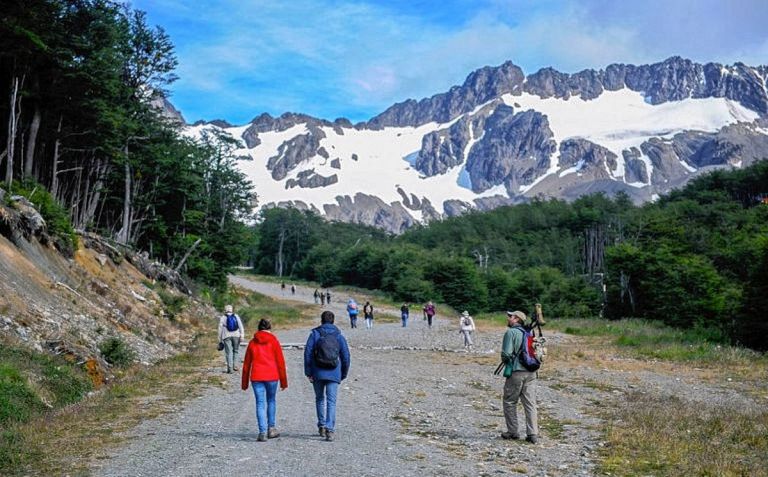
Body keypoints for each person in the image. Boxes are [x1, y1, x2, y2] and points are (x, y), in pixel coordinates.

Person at [304, 310, 351, 442]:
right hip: (334, 372)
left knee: (319, 399)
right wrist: (343, 373)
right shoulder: (339, 336)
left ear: (322, 320)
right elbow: (346, 356)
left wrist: (308, 372)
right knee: (331, 402)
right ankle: (330, 429)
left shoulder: (315, 334)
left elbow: (307, 353)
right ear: (333, 321)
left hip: (317, 372)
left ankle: (322, 426)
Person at [241, 319, 288, 442]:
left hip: (257, 376)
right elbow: (280, 363)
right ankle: (271, 429)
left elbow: (246, 364)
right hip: (272, 376)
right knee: (271, 400)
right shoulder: (274, 341)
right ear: (269, 328)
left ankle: (262, 432)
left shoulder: (252, 343)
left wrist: (244, 383)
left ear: (258, 328)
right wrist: (283, 381)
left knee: (260, 403)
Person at [500, 310, 539, 444]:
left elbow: (506, 354)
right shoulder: (529, 332)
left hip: (516, 371)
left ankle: (513, 432)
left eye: (510, 316)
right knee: (530, 403)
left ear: (516, 319)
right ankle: (532, 434)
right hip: (532, 372)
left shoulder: (511, 332)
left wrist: (506, 362)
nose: (508, 318)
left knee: (510, 401)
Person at [218, 305, 245, 373]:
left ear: (225, 310)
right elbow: (240, 326)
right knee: (235, 350)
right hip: (236, 335)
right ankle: (235, 365)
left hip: (226, 336)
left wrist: (220, 339)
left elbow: (220, 329)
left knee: (228, 352)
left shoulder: (223, 317)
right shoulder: (236, 316)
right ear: (232, 310)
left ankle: (230, 369)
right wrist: (242, 335)